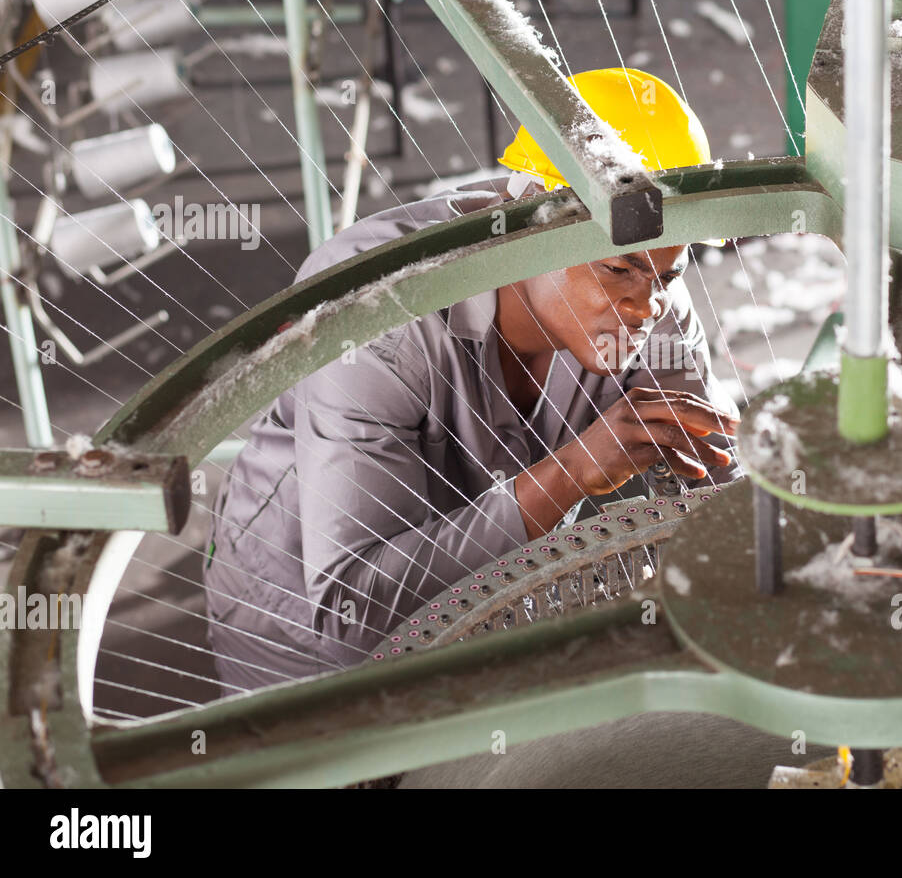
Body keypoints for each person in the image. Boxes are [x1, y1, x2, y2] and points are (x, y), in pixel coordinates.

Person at [203, 68, 743, 692]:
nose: (647, 307)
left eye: (667, 276)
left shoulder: (650, 298)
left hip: (491, 614)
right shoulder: (380, 316)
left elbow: (720, 480)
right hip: (305, 643)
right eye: (620, 270)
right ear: (533, 221)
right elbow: (353, 612)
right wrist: (570, 475)